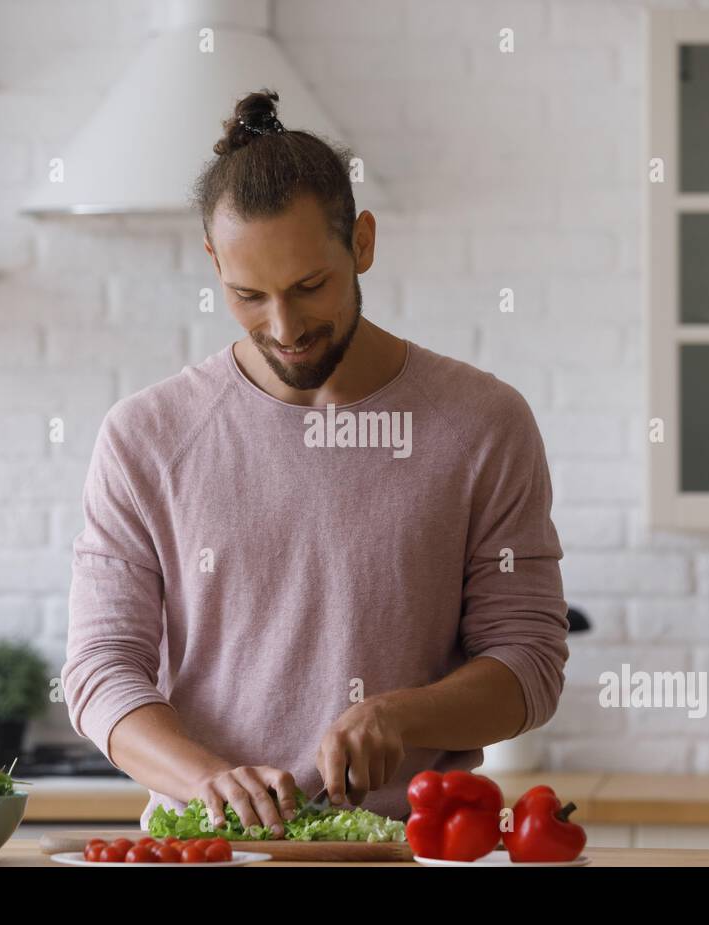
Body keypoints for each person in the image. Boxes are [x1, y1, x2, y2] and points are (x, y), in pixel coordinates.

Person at [63, 89, 569, 836]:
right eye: (248, 295)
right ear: (212, 261)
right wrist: (207, 779)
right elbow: (100, 671)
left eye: (310, 287)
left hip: (410, 849)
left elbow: (529, 662)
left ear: (361, 242)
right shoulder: (147, 435)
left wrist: (401, 714)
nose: (285, 326)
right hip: (206, 852)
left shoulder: (483, 424)